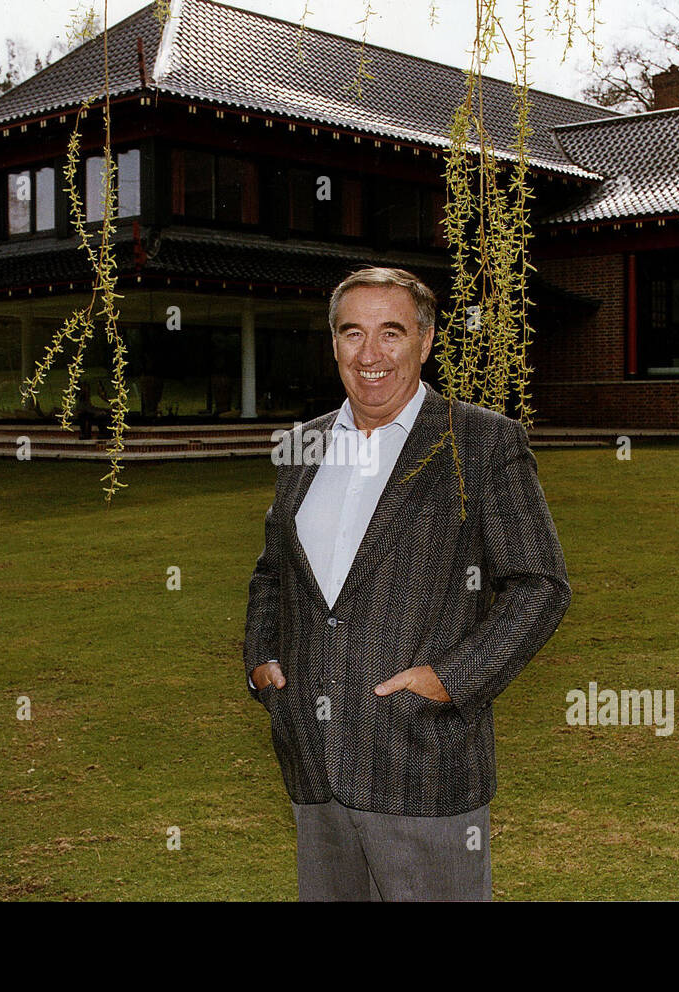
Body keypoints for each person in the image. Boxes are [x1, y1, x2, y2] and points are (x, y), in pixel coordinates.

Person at [243, 267, 571, 901]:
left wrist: (453, 679)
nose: (371, 355)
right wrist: (262, 661)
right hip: (314, 766)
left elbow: (540, 583)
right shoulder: (302, 446)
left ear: (425, 341)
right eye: (352, 333)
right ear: (332, 343)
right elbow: (271, 571)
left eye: (391, 333)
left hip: (423, 763)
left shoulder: (481, 442)